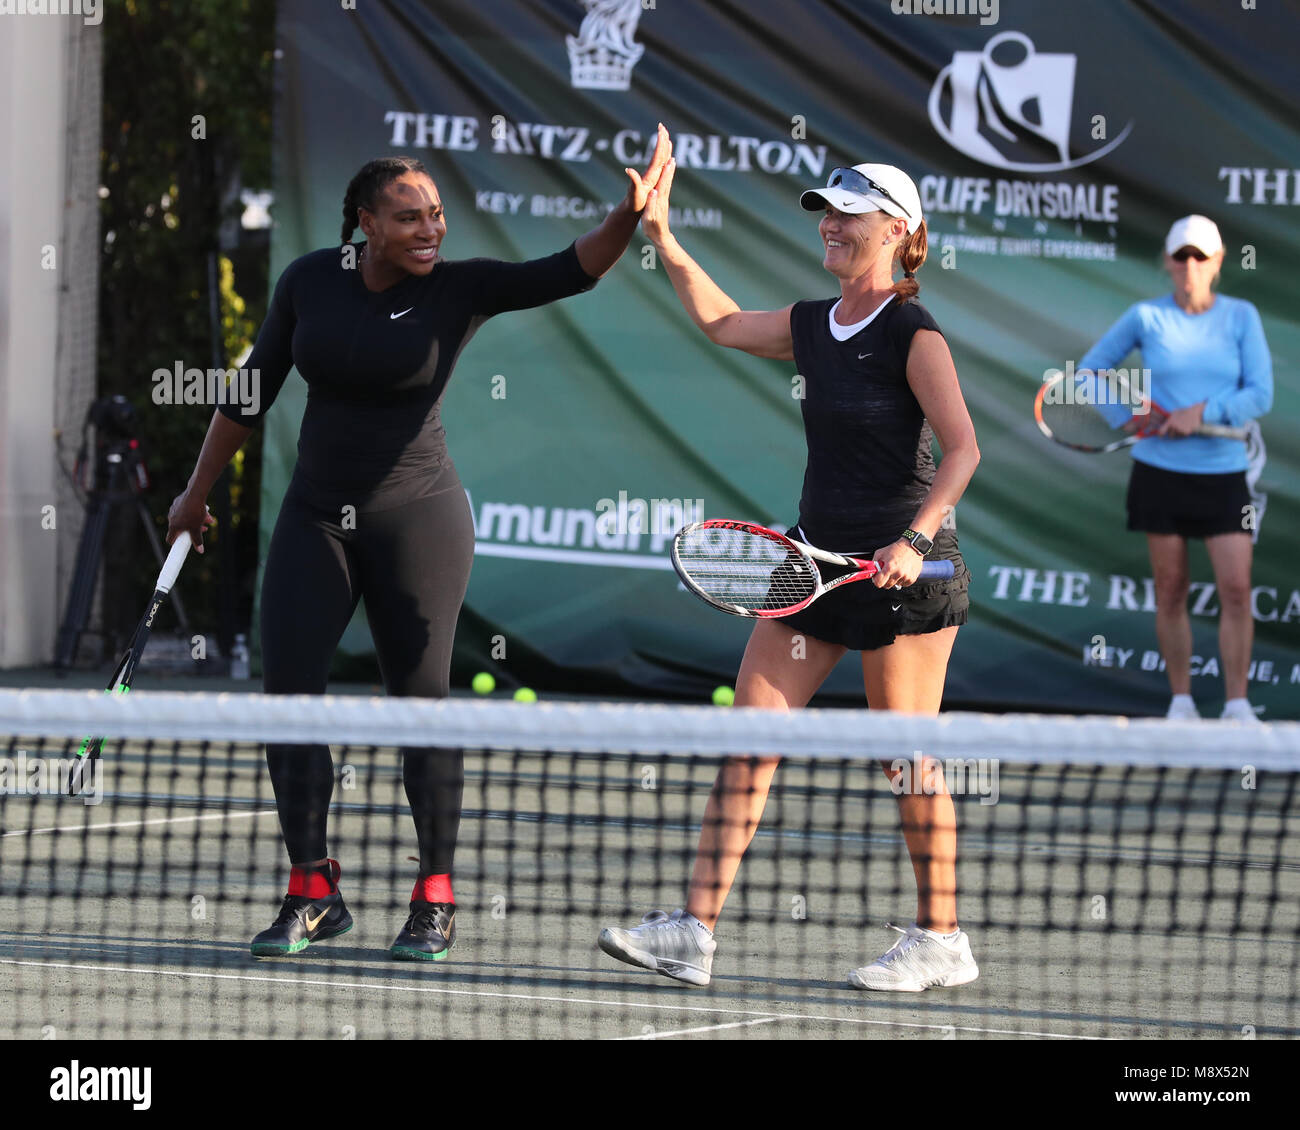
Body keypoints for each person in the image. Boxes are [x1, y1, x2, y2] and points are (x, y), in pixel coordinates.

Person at [166, 126, 673, 961]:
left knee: (420, 706)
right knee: (287, 697)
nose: (430, 228)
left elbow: (572, 268)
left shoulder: (460, 290)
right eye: (408, 217)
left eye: (435, 213)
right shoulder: (307, 284)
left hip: (420, 519)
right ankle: (311, 887)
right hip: (316, 519)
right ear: (365, 221)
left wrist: (630, 210)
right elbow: (248, 394)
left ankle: (434, 896)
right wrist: (193, 496)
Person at [598, 158, 981, 992]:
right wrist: (662, 236)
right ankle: (693, 931)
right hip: (812, 567)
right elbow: (725, 323)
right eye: (825, 214)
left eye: (848, 215)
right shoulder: (814, 323)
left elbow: (964, 449)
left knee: (906, 757)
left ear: (897, 232)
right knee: (751, 739)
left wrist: (913, 540)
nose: (830, 227)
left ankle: (943, 939)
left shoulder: (914, 334)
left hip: (908, 579)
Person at [1078, 215, 1272, 723]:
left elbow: (1260, 393)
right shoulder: (1146, 316)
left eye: (1200, 257)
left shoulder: (1241, 317)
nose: (1190, 266)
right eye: (1181, 256)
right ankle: (1181, 701)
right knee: (1170, 589)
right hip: (1159, 472)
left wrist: (1201, 413)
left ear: (1217, 263)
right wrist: (1131, 419)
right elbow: (1089, 373)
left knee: (1235, 589)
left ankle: (1237, 704)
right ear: (1167, 261)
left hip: (1225, 475)